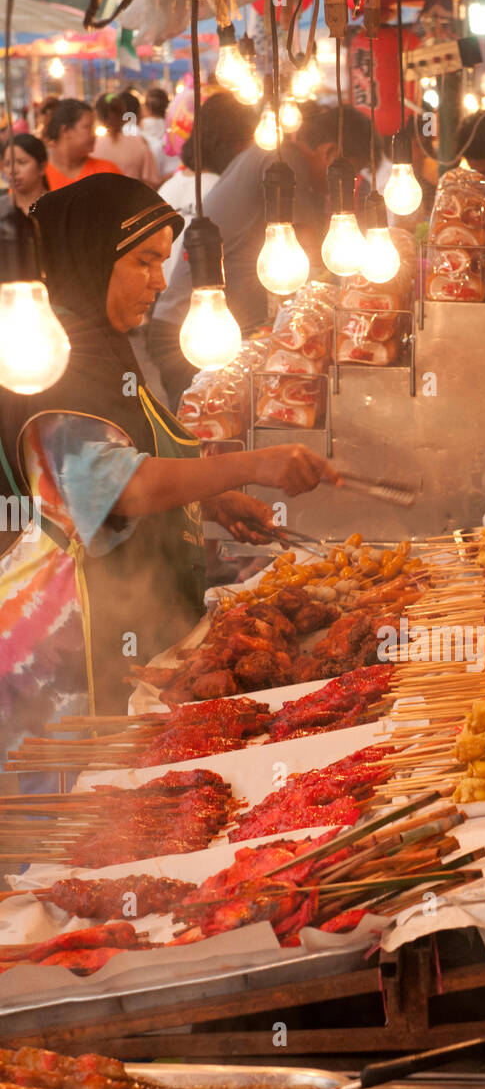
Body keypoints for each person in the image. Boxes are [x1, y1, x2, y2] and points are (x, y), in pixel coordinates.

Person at [0, 175, 337, 756]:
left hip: (138, 629)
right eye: (143, 262)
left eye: (164, 262)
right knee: (90, 823)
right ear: (89, 257)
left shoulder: (106, 352)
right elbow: (118, 486)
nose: (160, 281)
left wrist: (212, 499)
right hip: (72, 656)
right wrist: (252, 466)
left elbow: (139, 456)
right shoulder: (53, 363)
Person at [149, 103, 380, 408]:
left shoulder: (271, 154)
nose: (351, 184)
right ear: (329, 152)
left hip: (195, 330)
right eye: (352, 172)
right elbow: (314, 259)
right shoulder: (286, 166)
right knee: (212, 440)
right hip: (197, 335)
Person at [158, 92, 257, 284]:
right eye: (249, 144)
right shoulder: (224, 192)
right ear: (236, 145)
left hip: (165, 306)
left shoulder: (166, 189)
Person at [44, 99, 120, 189]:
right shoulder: (40, 174)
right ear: (66, 130)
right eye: (87, 127)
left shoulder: (107, 172)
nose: (94, 134)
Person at [93, 91, 159, 188]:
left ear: (97, 115)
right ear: (124, 114)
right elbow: (151, 182)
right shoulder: (139, 142)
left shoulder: (90, 146)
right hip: (134, 201)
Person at [0, 133, 48, 243]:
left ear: (42, 167)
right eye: (7, 164)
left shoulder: (58, 206)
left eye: (21, 162)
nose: (12, 170)